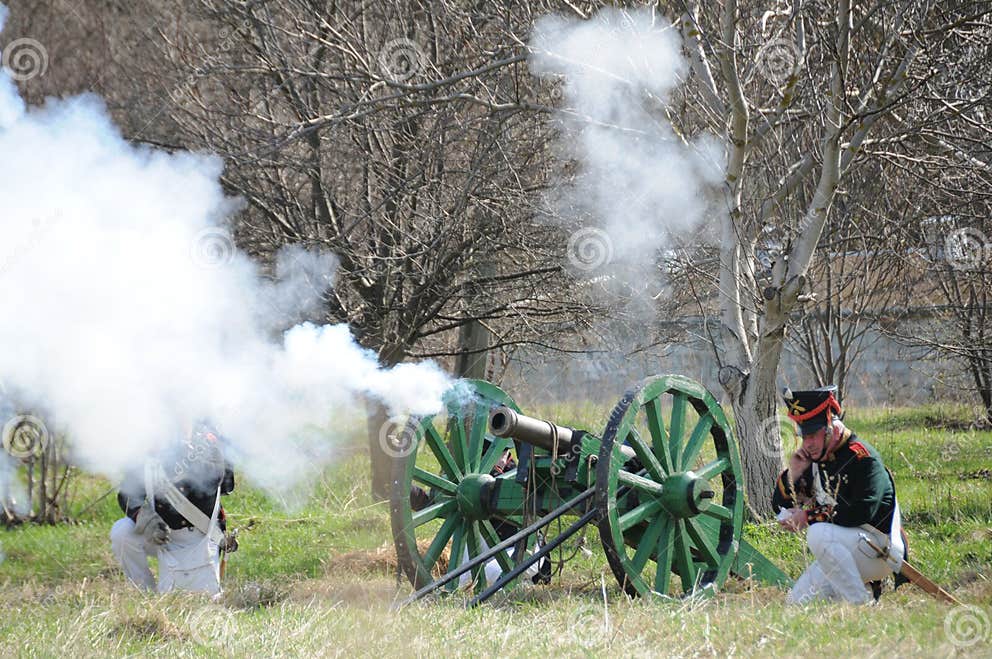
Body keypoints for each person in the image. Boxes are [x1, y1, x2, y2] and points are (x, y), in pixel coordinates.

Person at [772, 386, 907, 604]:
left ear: (831, 428)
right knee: (795, 603)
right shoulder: (815, 459)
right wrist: (794, 474)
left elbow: (862, 511)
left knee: (817, 534)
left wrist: (808, 517)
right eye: (804, 436)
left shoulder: (863, 458)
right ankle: (860, 595)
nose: (808, 444)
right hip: (841, 551)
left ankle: (860, 604)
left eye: (814, 435)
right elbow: (779, 506)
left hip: (878, 551)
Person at [110, 421, 236, 595]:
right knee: (121, 532)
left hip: (200, 537)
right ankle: (144, 592)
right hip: (162, 535)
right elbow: (128, 493)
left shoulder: (208, 441)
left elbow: (221, 482)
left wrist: (188, 452)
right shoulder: (150, 445)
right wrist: (143, 517)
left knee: (200, 602)